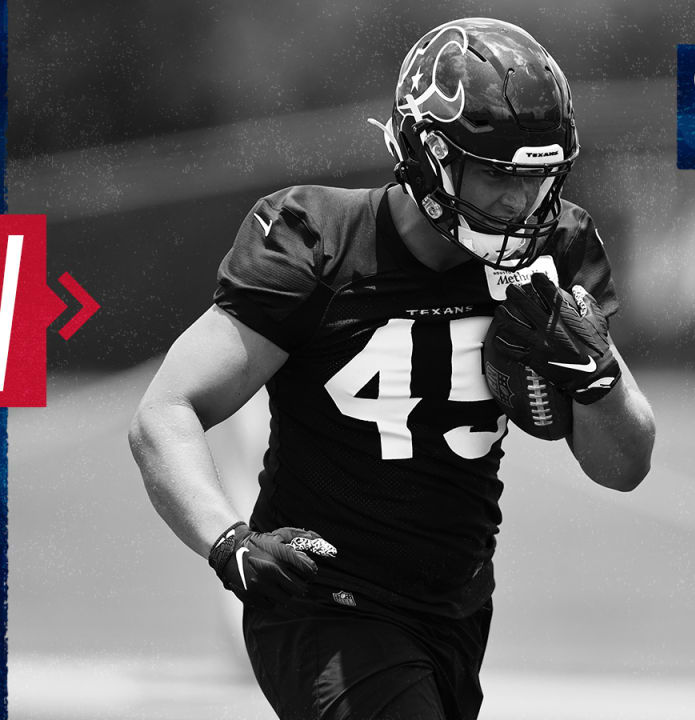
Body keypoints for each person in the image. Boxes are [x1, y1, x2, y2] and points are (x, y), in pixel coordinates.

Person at [128, 17, 656, 720]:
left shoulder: (556, 250)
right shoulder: (318, 241)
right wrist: (229, 543)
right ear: (428, 150)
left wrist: (597, 380)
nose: (517, 202)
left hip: (456, 607)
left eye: (535, 179)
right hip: (321, 601)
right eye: (497, 174)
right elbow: (166, 411)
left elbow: (623, 465)